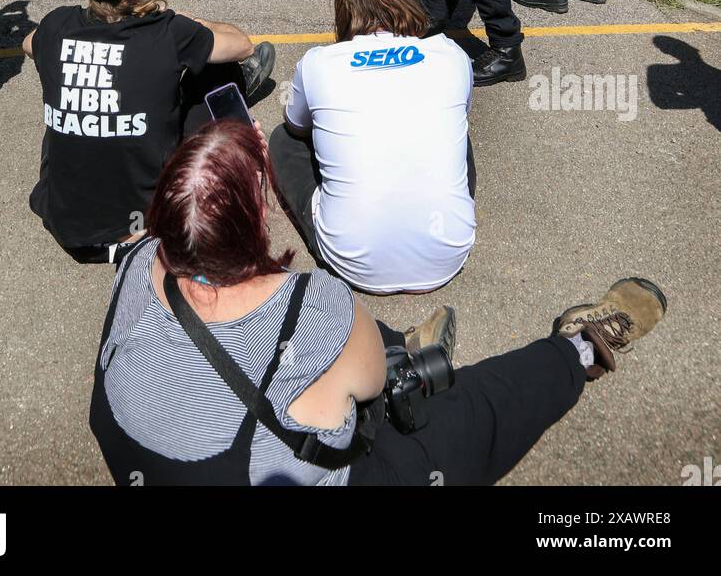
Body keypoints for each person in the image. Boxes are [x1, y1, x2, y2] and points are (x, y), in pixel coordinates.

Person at [90, 118, 667, 487]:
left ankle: (403, 351)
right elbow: (366, 388)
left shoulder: (139, 261)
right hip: (326, 461)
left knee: (370, 359)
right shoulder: (310, 306)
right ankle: (580, 350)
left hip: (155, 465)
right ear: (254, 217)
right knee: (476, 406)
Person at [23, 0, 274, 264]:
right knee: (215, 70)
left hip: (68, 225)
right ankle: (235, 133)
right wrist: (192, 20)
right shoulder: (169, 31)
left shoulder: (55, 27)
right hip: (146, 226)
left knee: (72, 107)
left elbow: (28, 43)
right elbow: (242, 45)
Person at [268, 0, 475, 294]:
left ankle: (340, 210)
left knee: (282, 139)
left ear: (345, 7)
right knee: (456, 130)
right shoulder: (450, 54)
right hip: (448, 252)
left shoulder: (318, 62)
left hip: (352, 260)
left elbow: (296, 128)